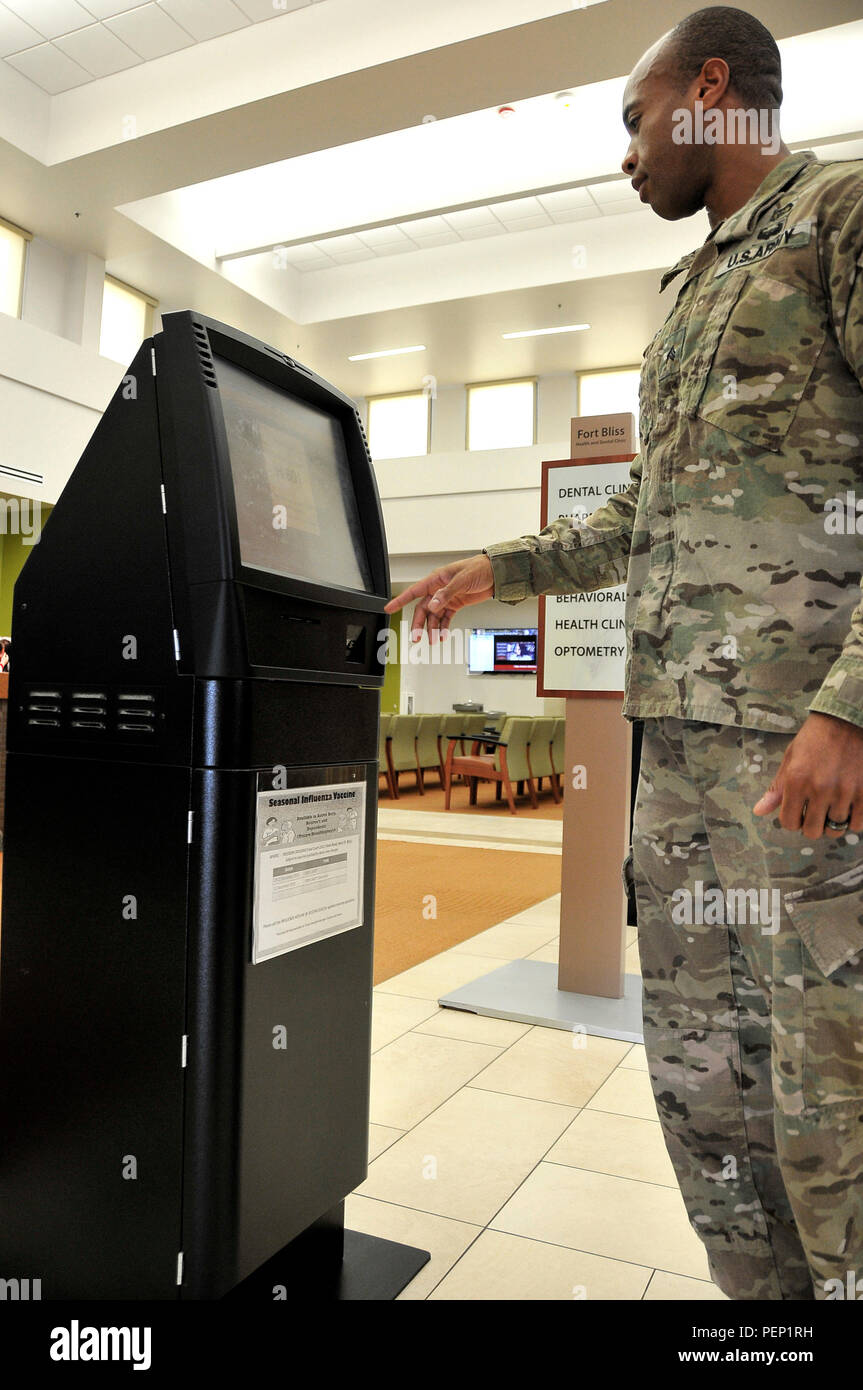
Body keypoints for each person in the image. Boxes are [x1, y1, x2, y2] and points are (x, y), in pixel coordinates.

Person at [384, 6, 863, 1302]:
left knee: (835, 1123)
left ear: (710, 90)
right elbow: (640, 511)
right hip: (682, 790)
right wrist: (503, 569)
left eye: (633, 119)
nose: (627, 152)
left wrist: (852, 710)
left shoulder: (841, 223)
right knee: (708, 1103)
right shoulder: (688, 295)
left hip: (809, 782)